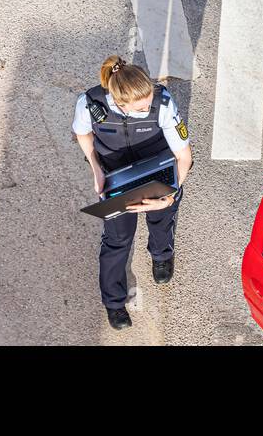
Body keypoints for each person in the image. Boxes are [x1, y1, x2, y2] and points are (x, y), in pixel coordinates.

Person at [74, 55, 193, 330]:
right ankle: (114, 303)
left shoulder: (163, 103)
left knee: (162, 222)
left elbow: (184, 157)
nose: (149, 105)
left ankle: (162, 255)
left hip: (159, 175)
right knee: (117, 241)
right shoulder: (90, 103)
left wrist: (169, 196)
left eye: (149, 98)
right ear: (121, 104)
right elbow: (82, 134)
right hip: (117, 180)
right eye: (142, 105)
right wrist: (96, 168)